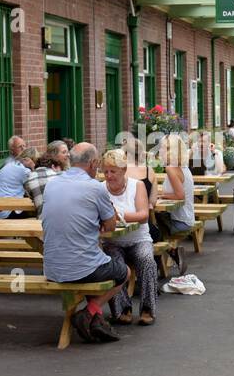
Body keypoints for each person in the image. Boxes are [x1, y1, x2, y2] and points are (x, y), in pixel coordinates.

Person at [41, 142, 130, 343]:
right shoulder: (94, 187)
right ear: (92, 163)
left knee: (95, 259)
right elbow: (110, 227)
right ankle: (88, 314)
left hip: (52, 269)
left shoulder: (52, 184)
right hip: (82, 268)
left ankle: (96, 319)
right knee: (124, 272)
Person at [100, 149, 158, 326]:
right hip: (113, 241)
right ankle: (122, 309)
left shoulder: (137, 185)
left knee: (146, 260)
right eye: (106, 171)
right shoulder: (100, 188)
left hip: (138, 238)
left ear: (124, 170)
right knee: (112, 263)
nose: (109, 176)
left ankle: (147, 308)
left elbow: (143, 215)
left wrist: (118, 215)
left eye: (113, 171)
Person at [159, 134, 196, 271]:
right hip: (186, 218)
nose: (160, 151)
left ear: (170, 150)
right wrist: (163, 195)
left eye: (162, 148)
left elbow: (180, 196)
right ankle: (168, 255)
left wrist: (162, 196)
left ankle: (169, 254)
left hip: (179, 221)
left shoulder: (171, 169)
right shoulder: (182, 167)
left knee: (149, 228)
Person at [0, 144, 35, 218]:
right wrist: (33, 167)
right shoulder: (24, 171)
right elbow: (35, 189)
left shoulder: (11, 164)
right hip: (5, 212)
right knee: (34, 217)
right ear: (29, 160)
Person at [24, 140, 69, 212]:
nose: (68, 155)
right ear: (54, 156)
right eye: (64, 152)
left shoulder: (31, 177)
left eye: (67, 152)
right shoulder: (59, 176)